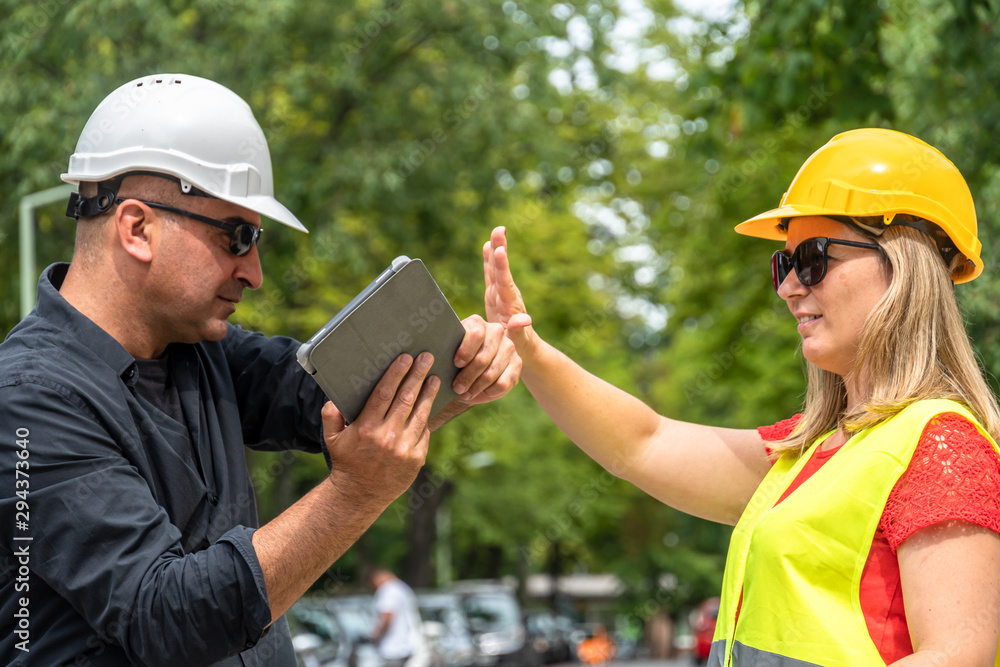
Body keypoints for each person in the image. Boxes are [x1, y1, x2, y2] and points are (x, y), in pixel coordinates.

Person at [0, 73, 520, 666]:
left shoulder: (203, 351)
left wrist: (461, 360)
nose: (254, 272)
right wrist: (355, 495)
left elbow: (334, 398)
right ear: (137, 227)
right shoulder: (28, 402)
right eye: (237, 236)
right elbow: (164, 618)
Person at [482, 128, 1000, 666]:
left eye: (813, 260)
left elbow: (958, 658)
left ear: (904, 266)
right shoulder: (811, 453)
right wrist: (530, 347)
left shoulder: (943, 448)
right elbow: (641, 444)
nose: (788, 287)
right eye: (785, 264)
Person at [367, 566, 427, 667]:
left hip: (392, 647)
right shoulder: (402, 588)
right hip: (407, 645)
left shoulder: (388, 590)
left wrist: (376, 635)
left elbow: (387, 615)